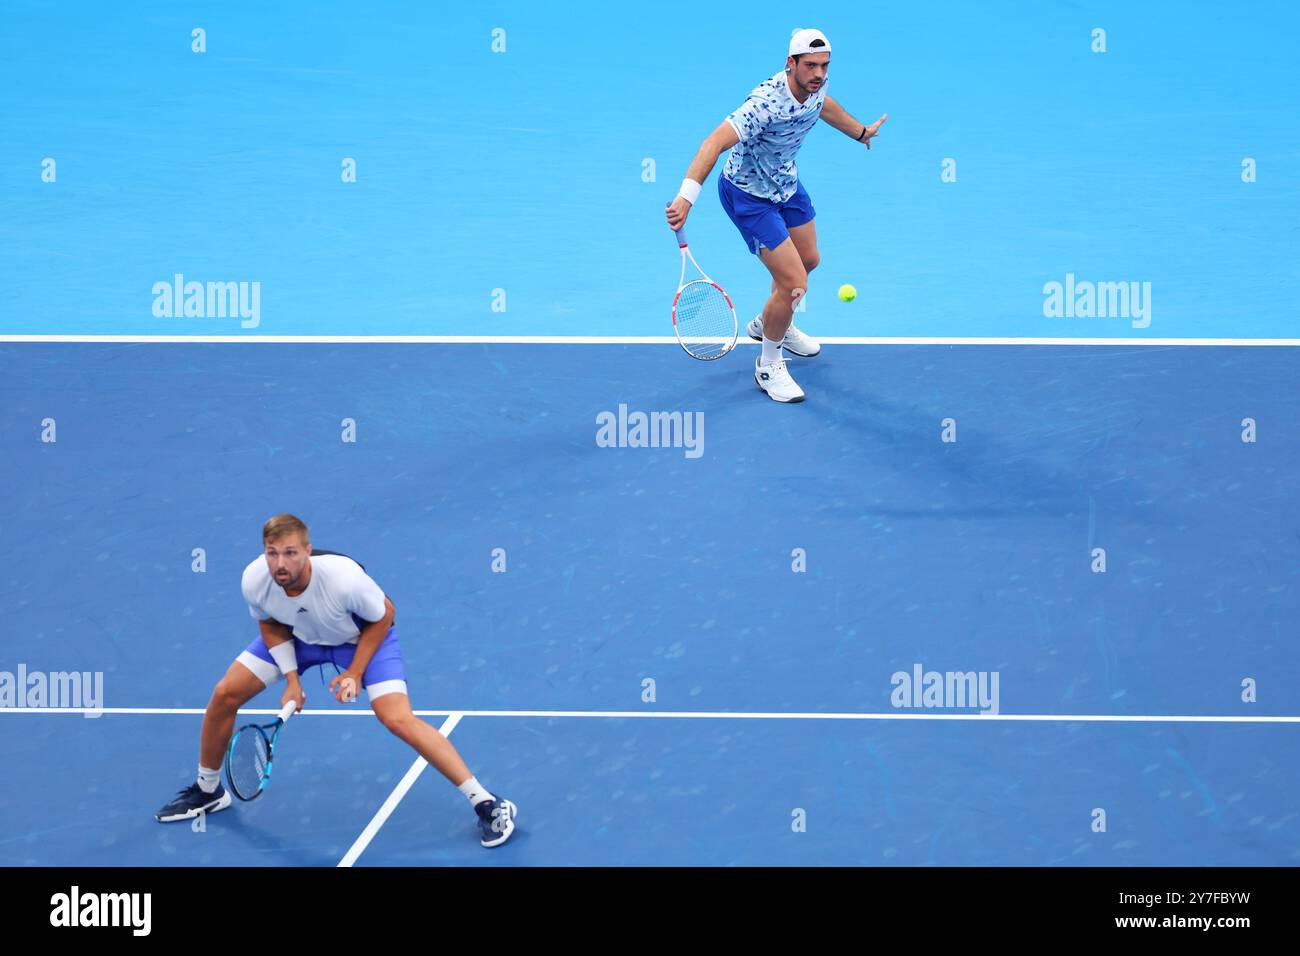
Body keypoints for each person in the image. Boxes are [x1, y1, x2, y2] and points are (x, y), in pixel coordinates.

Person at [154, 513, 518, 848]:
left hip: (359, 638)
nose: (280, 564)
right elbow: (270, 622)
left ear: (307, 552)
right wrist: (292, 679)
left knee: (396, 718)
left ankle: (487, 803)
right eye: (272, 553)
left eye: (290, 553)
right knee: (225, 694)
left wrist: (355, 673)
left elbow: (385, 616)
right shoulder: (255, 579)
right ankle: (208, 790)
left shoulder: (344, 579)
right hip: (298, 636)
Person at [665, 28, 888, 402]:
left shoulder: (815, 87)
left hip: (786, 184)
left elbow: (822, 106)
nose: (819, 74)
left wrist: (860, 132)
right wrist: (687, 197)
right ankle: (768, 365)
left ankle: (772, 322)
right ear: (790, 64)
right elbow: (713, 143)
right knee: (793, 282)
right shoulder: (764, 104)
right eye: (810, 66)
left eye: (824, 66)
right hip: (748, 195)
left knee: (809, 260)